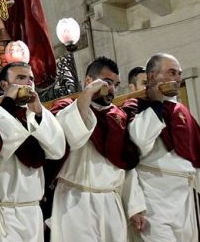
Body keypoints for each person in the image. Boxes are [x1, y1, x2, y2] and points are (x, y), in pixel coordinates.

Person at [123, 52, 200, 241]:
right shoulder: (134, 105)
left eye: (179, 73)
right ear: (153, 76)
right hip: (152, 196)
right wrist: (155, 102)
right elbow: (139, 141)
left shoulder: (181, 112)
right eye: (172, 72)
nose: (177, 78)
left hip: (183, 197)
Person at [0, 42, 65, 242]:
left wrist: (39, 112)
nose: (28, 84)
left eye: (30, 79)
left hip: (31, 211)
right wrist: (8, 105)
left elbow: (57, 150)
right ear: (5, 85)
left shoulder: (36, 117)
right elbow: (0, 147)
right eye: (21, 78)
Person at [48, 57, 147, 241]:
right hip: (75, 200)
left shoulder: (118, 117)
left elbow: (125, 163)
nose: (112, 90)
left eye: (115, 84)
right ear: (88, 81)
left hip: (111, 201)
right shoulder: (67, 108)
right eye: (107, 82)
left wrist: (135, 207)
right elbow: (65, 138)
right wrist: (86, 96)